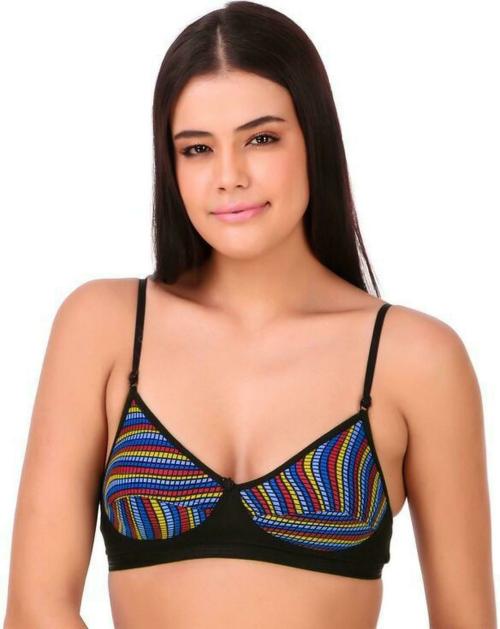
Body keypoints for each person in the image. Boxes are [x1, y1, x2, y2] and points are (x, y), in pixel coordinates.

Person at [4, 2, 496, 628]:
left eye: (260, 139)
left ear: (314, 138)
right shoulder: (103, 327)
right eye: (197, 149)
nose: (229, 176)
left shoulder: (416, 359)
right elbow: (34, 609)